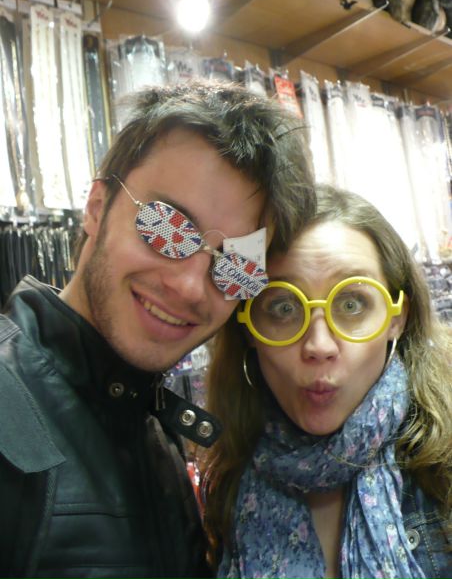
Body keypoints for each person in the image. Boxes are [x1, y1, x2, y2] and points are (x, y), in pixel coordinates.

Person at [0, 81, 316, 578]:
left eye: (235, 266)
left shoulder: (152, 427)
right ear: (97, 207)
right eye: (167, 227)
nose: (190, 286)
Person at [202, 184, 452, 579]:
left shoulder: (444, 471)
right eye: (283, 307)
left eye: (352, 304)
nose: (318, 345)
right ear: (248, 327)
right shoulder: (228, 484)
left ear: (396, 318)